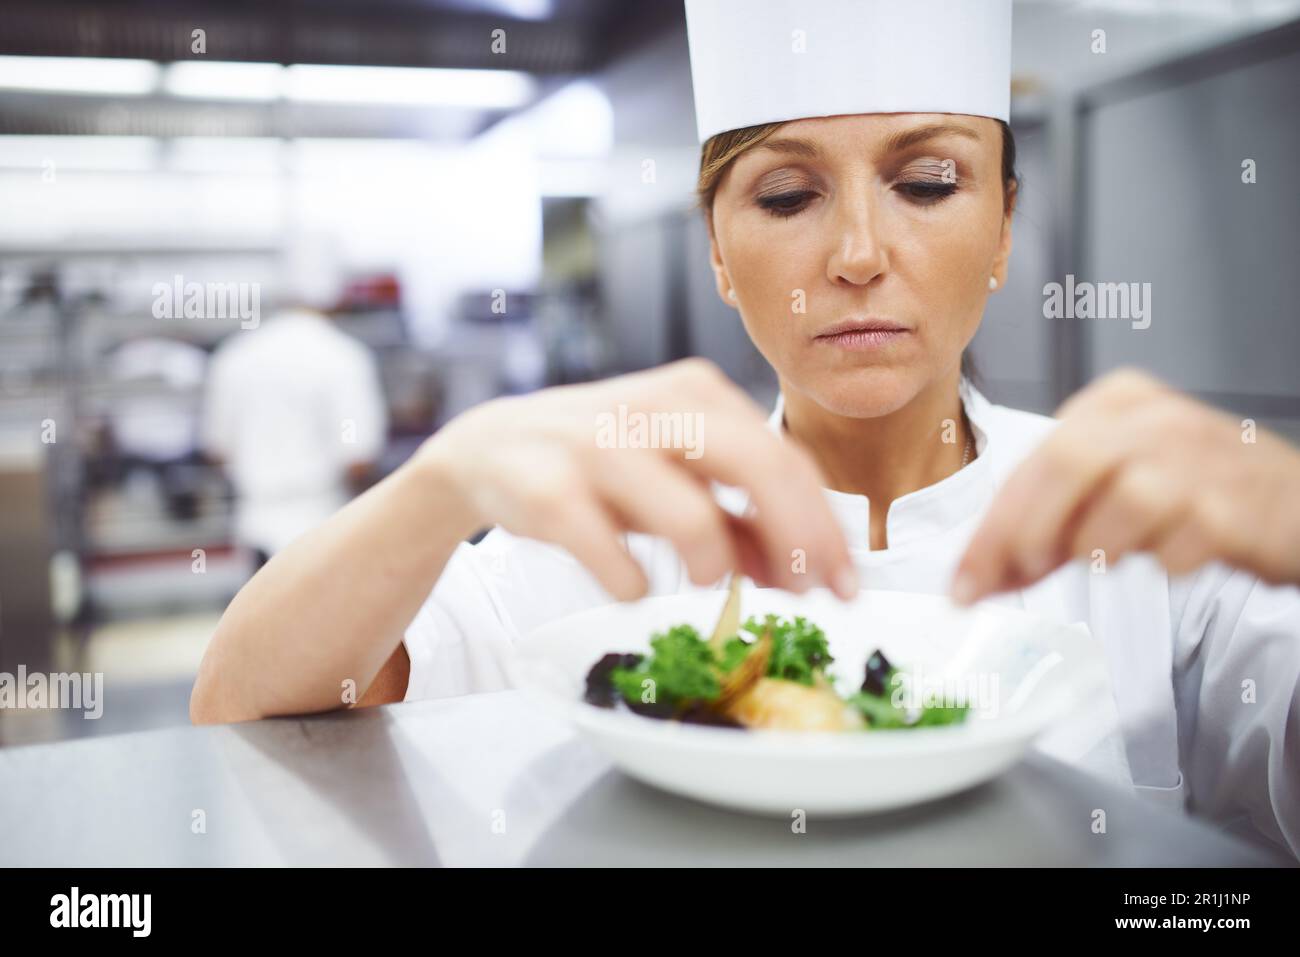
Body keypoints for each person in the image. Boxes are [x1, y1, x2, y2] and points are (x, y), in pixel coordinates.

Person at [191, 0, 1300, 858]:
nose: (858, 253)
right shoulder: (619, 531)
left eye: (925, 181)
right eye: (785, 197)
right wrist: (445, 482)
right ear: (719, 254)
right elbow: (242, 705)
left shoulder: (1137, 526)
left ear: (1004, 224)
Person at [201, 237, 387, 567]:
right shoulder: (343, 358)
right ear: (338, 296)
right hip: (321, 523)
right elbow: (358, 456)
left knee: (264, 617)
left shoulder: (235, 355)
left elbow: (217, 447)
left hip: (255, 524)